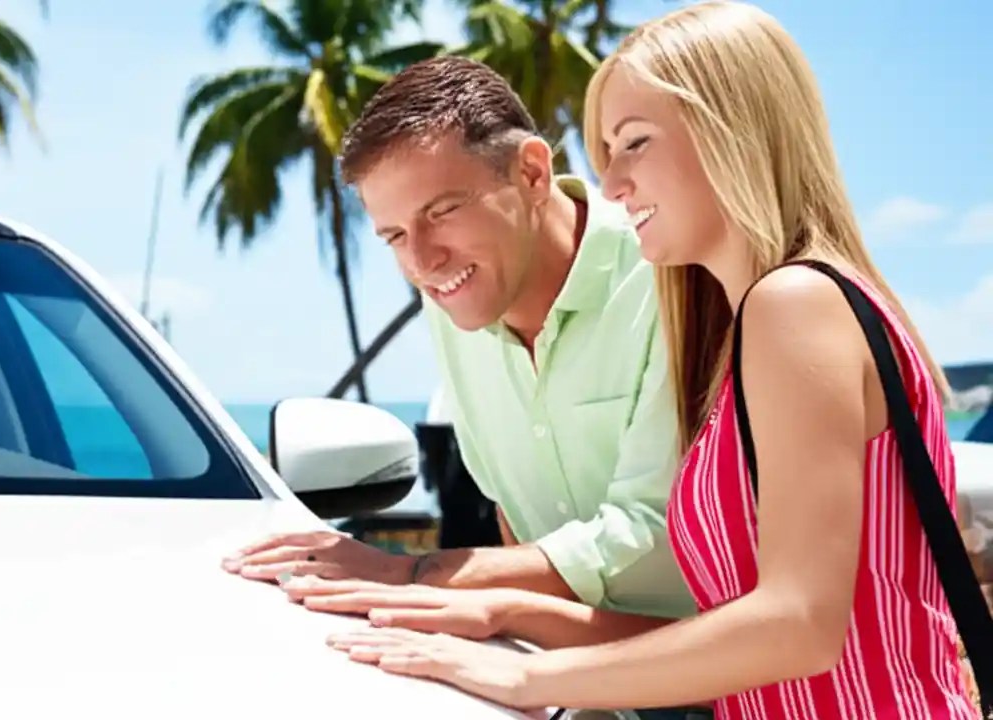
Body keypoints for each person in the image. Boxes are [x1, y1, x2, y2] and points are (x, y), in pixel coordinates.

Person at [320, 2, 982, 719]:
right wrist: (503, 614)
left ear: (733, 135)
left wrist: (525, 679)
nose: (610, 185)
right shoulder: (754, 323)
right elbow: (734, 636)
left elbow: (798, 624)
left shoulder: (793, 304)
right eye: (608, 151)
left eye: (635, 143)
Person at [222, 56, 697, 627]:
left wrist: (409, 572)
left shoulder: (665, 272)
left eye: (443, 211)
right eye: (395, 236)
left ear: (531, 174)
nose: (422, 261)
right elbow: (512, 515)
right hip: (574, 679)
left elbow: (651, 530)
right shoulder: (455, 298)